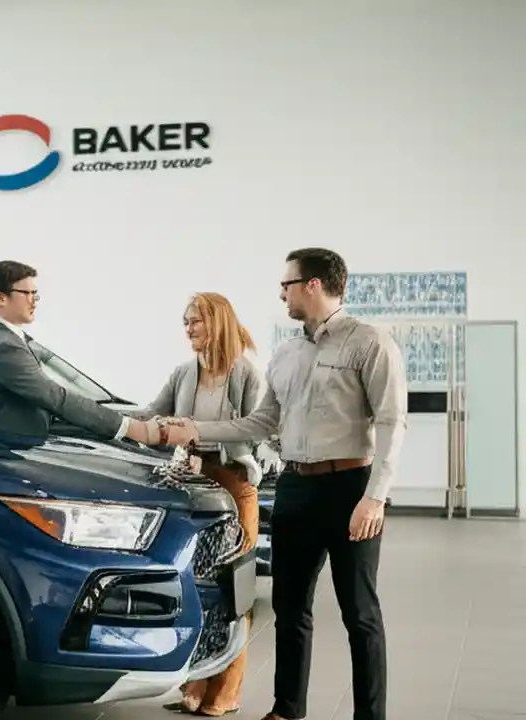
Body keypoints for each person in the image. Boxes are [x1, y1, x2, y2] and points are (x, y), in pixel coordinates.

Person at [163, 248, 407, 720]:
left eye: (286, 285)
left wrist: (374, 497)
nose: (281, 294)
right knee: (290, 606)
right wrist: (196, 429)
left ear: (312, 285)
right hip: (296, 488)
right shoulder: (287, 353)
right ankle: (287, 709)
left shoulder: (370, 343)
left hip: (350, 488)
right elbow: (259, 422)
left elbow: (393, 422)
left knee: (359, 613)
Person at [127, 292, 263, 716]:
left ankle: (225, 694)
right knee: (197, 588)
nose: (188, 329)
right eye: (185, 322)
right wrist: (110, 420)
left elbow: (256, 429)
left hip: (234, 484)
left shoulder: (245, 372)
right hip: (195, 486)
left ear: (217, 322)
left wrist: (196, 430)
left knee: (234, 591)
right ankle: (194, 686)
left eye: (195, 321)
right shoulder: (184, 372)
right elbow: (152, 413)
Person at [0, 260, 166, 448]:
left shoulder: (0, 338)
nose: (34, 301)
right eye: (27, 294)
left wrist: (131, 421)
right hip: (0, 451)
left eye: (35, 294)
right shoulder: (3, 346)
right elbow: (54, 398)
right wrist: (134, 429)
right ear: (0, 298)